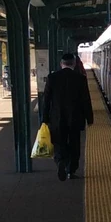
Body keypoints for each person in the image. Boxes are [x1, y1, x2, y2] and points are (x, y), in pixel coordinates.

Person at [41, 52, 94, 181]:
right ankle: (71, 170)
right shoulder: (80, 78)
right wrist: (89, 118)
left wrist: (45, 119)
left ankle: (60, 162)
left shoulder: (52, 77)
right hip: (75, 118)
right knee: (74, 144)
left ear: (61, 64)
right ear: (74, 64)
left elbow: (46, 100)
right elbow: (86, 100)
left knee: (59, 143)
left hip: (57, 119)